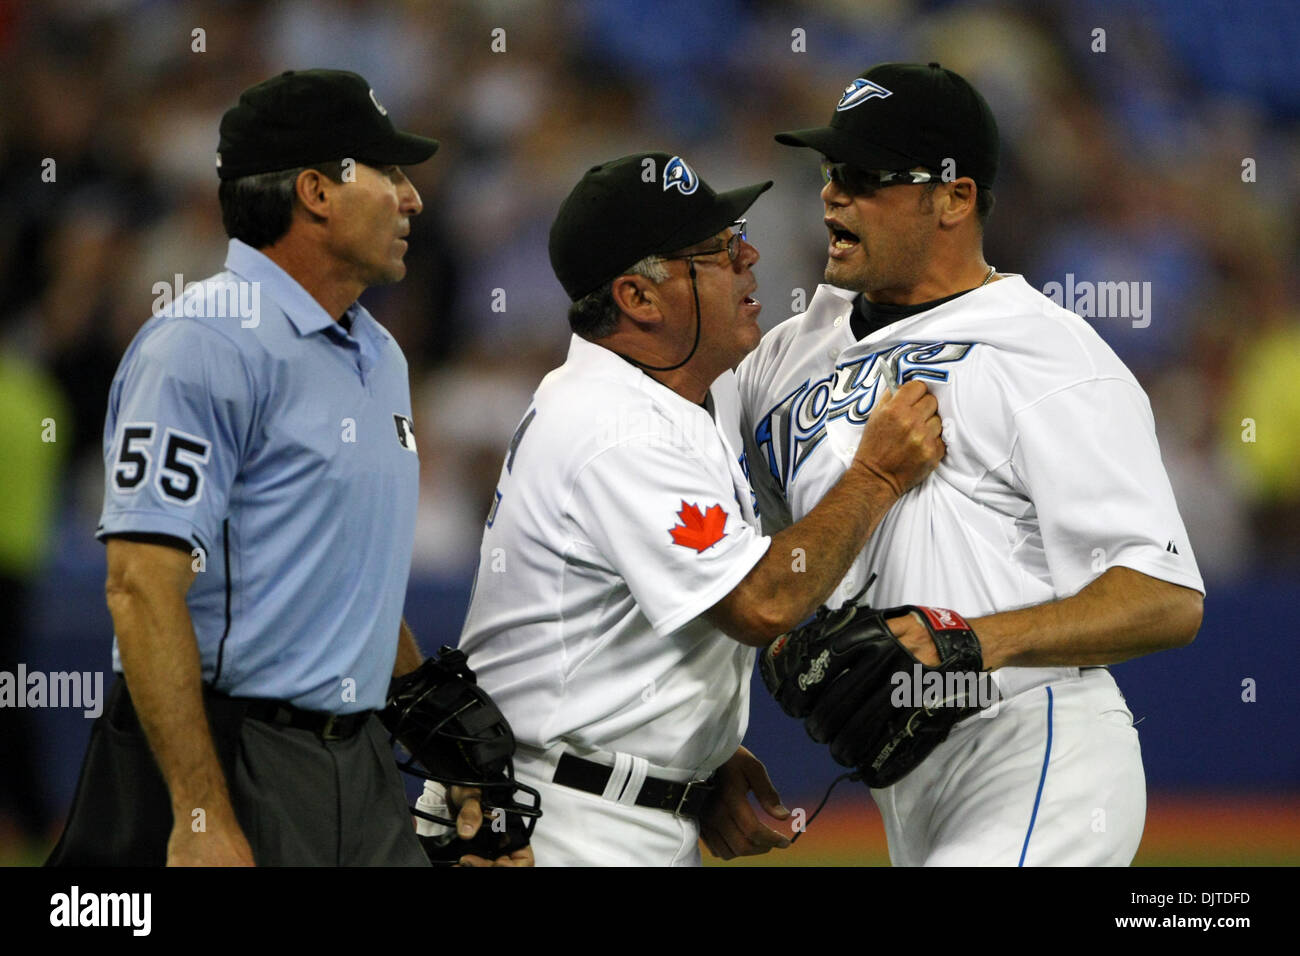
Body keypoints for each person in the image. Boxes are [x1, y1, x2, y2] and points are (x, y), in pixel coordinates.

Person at [47, 69, 525, 867]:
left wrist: (450, 758)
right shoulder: (201, 344)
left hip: (360, 764)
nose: (412, 199)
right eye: (390, 173)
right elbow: (139, 583)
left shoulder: (379, 351)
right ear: (315, 190)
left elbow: (344, 583)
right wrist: (200, 813)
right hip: (233, 751)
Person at [737, 62, 1205, 865]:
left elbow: (1166, 598)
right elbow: (756, 560)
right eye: (829, 171)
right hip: (902, 782)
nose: (832, 193)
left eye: (865, 174)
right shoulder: (782, 358)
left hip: (1036, 746)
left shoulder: (1048, 350)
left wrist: (971, 641)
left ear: (955, 197)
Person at [449, 152, 945, 866]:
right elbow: (760, 603)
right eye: (715, 250)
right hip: (563, 825)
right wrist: (876, 474)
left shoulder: (661, 401)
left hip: (601, 800)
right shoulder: (615, 424)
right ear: (638, 298)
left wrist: (690, 762)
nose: (750, 255)